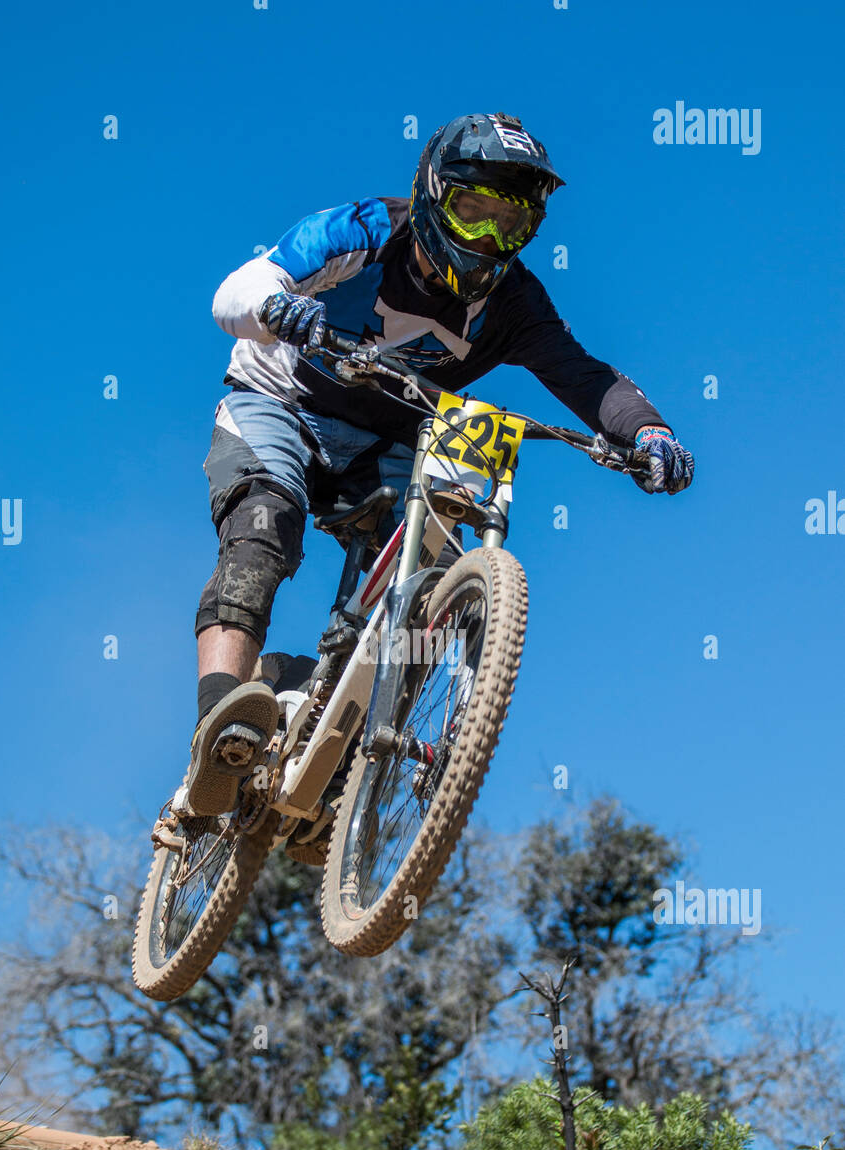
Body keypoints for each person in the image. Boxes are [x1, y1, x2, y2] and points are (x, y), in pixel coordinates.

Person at [186, 111, 694, 817]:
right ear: (431, 194)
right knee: (261, 532)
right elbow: (236, 290)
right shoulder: (368, 228)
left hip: (391, 435)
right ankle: (222, 725)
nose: (488, 240)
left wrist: (648, 432)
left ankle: (340, 737)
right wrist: (278, 307)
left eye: (509, 226)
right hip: (281, 401)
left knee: (440, 556)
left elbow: (584, 376)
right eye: (472, 211)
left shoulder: (514, 302)